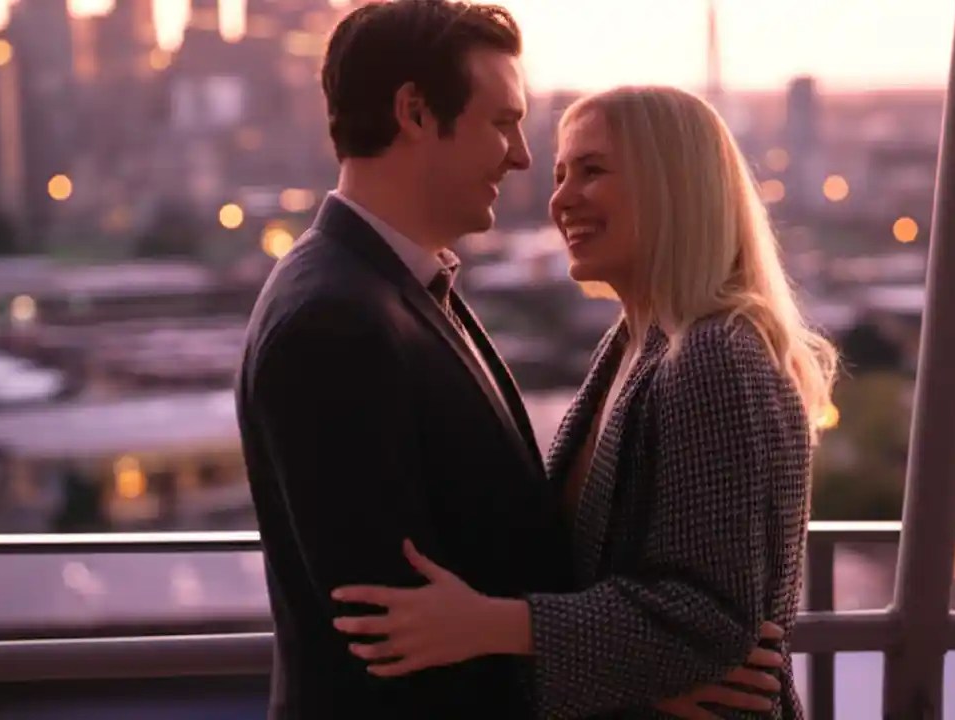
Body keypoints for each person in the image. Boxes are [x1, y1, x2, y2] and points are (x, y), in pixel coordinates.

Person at [235, 2, 784, 718]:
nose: (525, 162)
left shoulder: (399, 292)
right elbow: (400, 641)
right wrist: (649, 677)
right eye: (502, 123)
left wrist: (638, 659)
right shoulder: (337, 320)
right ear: (416, 112)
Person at [331, 85, 839, 719]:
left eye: (592, 171)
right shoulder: (632, 341)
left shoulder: (716, 357)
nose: (560, 199)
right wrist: (645, 674)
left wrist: (489, 625)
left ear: (673, 187)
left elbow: (708, 621)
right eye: (560, 173)